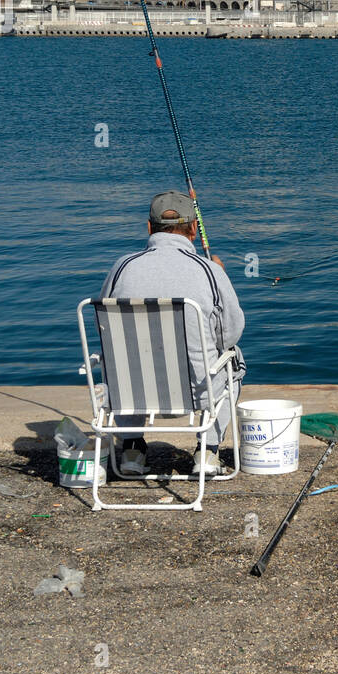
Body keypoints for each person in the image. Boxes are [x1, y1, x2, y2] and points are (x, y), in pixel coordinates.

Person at [100, 190, 246, 477]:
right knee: (235, 360)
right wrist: (221, 273)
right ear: (193, 228)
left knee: (123, 356)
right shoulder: (209, 271)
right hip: (196, 393)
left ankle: (131, 449)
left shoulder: (122, 267)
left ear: (149, 227)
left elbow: (105, 328)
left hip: (132, 392)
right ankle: (207, 451)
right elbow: (230, 334)